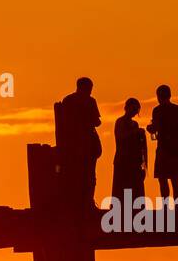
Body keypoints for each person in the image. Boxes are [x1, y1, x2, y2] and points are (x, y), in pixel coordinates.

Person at [59, 76, 102, 211]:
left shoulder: (68, 100)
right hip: (84, 143)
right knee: (88, 174)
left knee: (77, 173)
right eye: (89, 88)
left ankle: (79, 201)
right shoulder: (89, 101)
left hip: (74, 143)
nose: (90, 91)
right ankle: (86, 201)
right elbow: (97, 122)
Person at [147, 85, 178, 204]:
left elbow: (154, 127)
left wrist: (150, 128)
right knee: (175, 179)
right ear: (169, 95)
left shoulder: (157, 110)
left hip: (164, 149)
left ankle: (166, 207)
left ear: (158, 96)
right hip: (176, 150)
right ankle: (176, 207)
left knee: (163, 179)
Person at [111, 97, 147, 206]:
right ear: (127, 108)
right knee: (121, 187)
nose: (135, 112)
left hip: (134, 161)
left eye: (136, 109)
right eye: (134, 109)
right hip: (123, 160)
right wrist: (136, 133)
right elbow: (121, 138)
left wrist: (142, 161)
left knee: (135, 188)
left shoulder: (135, 124)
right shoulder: (120, 122)